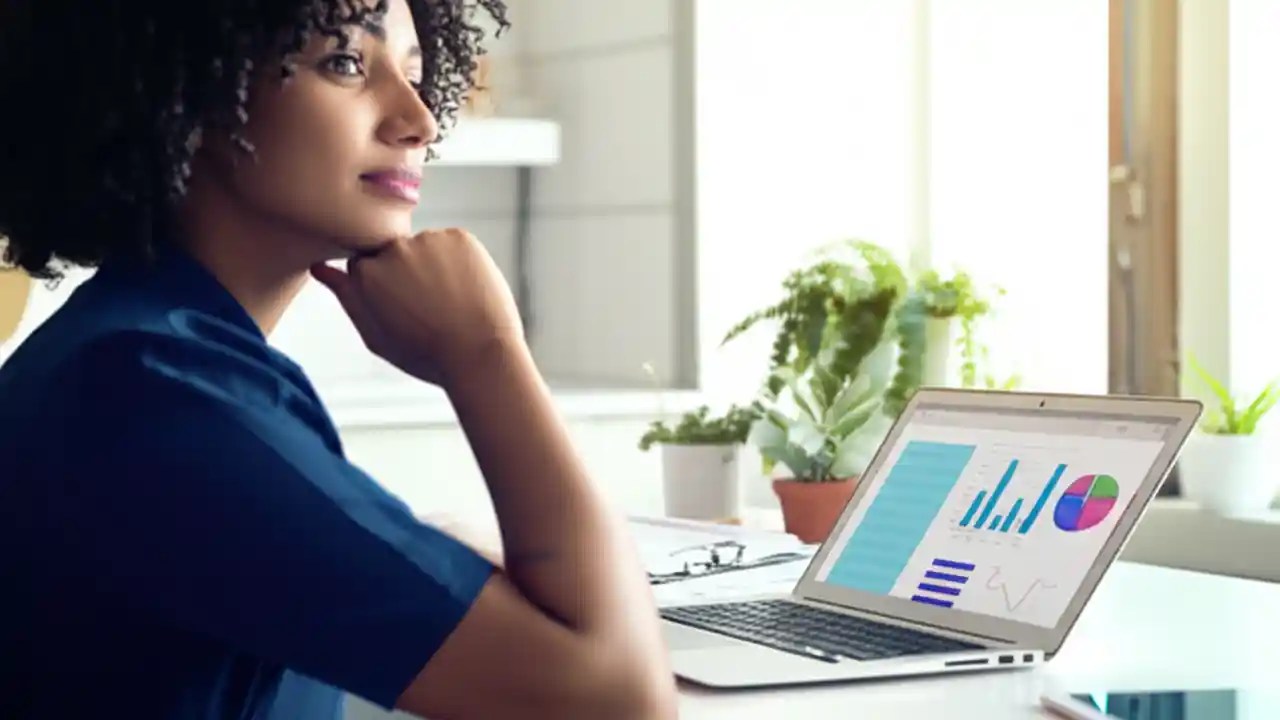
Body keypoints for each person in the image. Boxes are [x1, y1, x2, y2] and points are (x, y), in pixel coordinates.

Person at [0, 0, 678, 718]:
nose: (420, 120)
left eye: (416, 75)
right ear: (192, 93)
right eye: (346, 62)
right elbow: (623, 704)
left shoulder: (129, 357)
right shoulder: (158, 396)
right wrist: (486, 353)